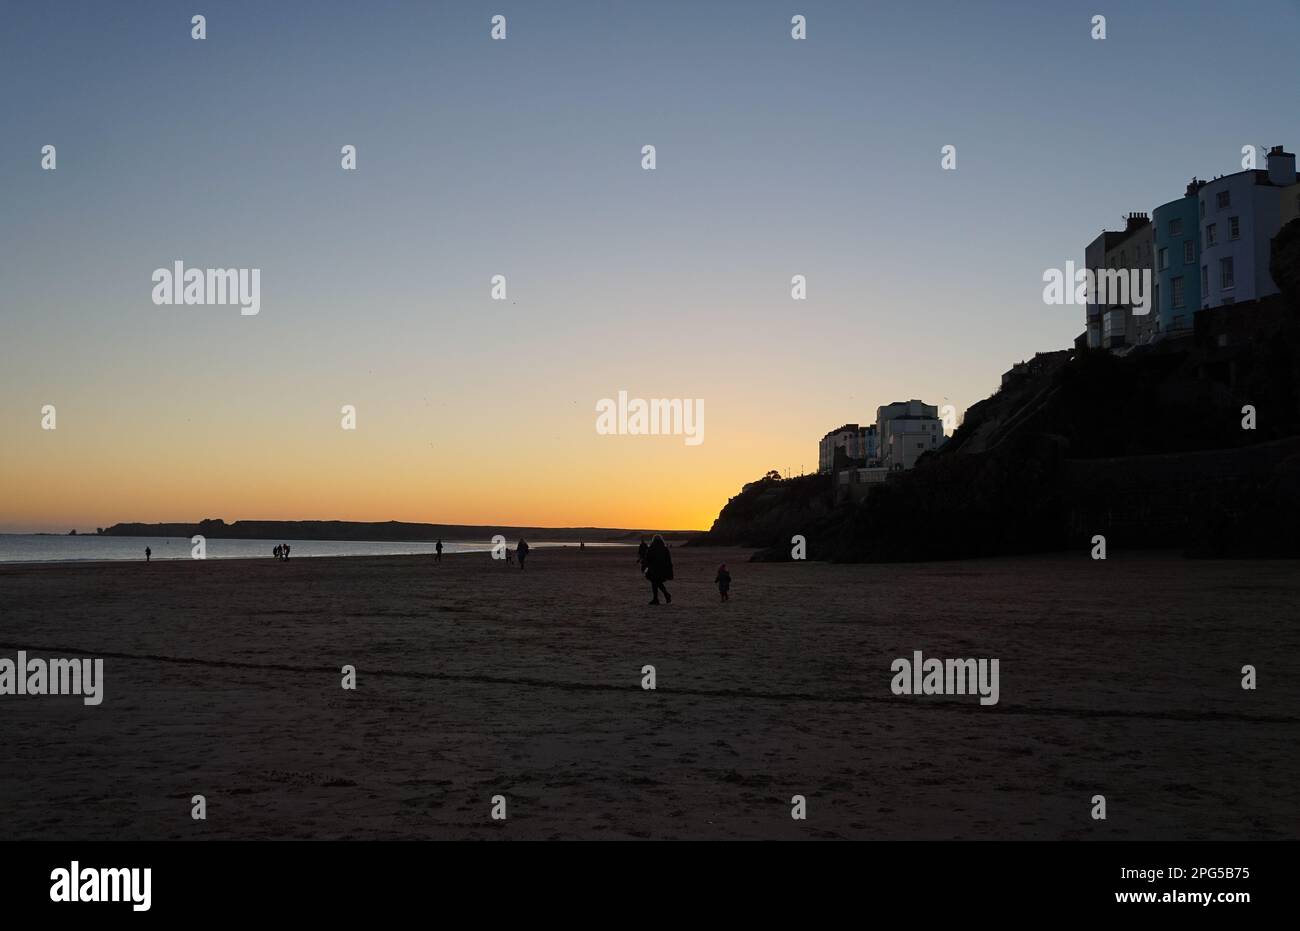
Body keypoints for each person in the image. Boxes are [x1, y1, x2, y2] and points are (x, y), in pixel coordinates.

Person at [644, 534, 673, 605]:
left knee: (655, 582)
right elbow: (668, 560)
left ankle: (657, 598)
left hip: (654, 568)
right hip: (663, 569)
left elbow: (648, 559)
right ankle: (664, 595)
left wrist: (645, 566)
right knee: (657, 582)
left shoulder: (652, 548)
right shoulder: (665, 548)